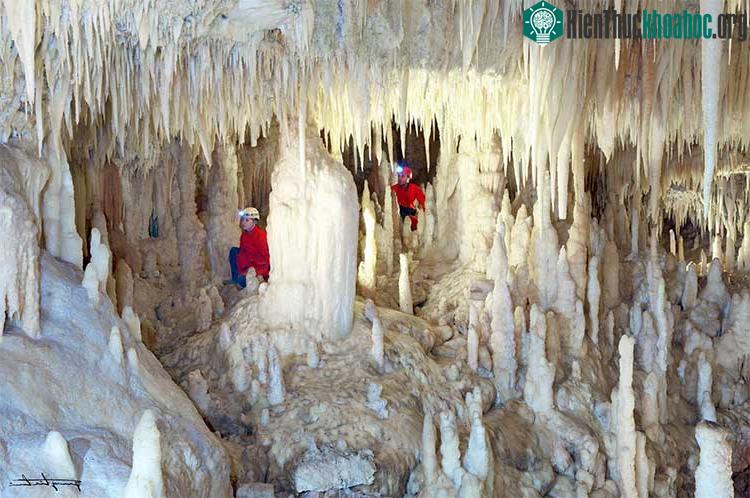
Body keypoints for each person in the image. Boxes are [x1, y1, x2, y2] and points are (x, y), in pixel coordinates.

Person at [225, 207, 270, 289]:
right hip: (248, 266)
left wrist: (255, 273)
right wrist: (243, 270)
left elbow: (266, 260)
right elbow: (242, 254)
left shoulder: (261, 236)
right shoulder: (244, 236)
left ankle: (240, 280)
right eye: (243, 220)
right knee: (234, 251)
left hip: (257, 270)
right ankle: (235, 279)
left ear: (254, 222)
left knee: (243, 280)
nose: (243, 223)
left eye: (247, 220)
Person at [390, 163, 426, 231]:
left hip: (411, 216)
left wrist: (422, 215)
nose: (400, 178)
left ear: (408, 178)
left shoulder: (415, 189)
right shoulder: (393, 189)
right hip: (398, 216)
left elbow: (424, 203)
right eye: (399, 176)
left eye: (403, 176)